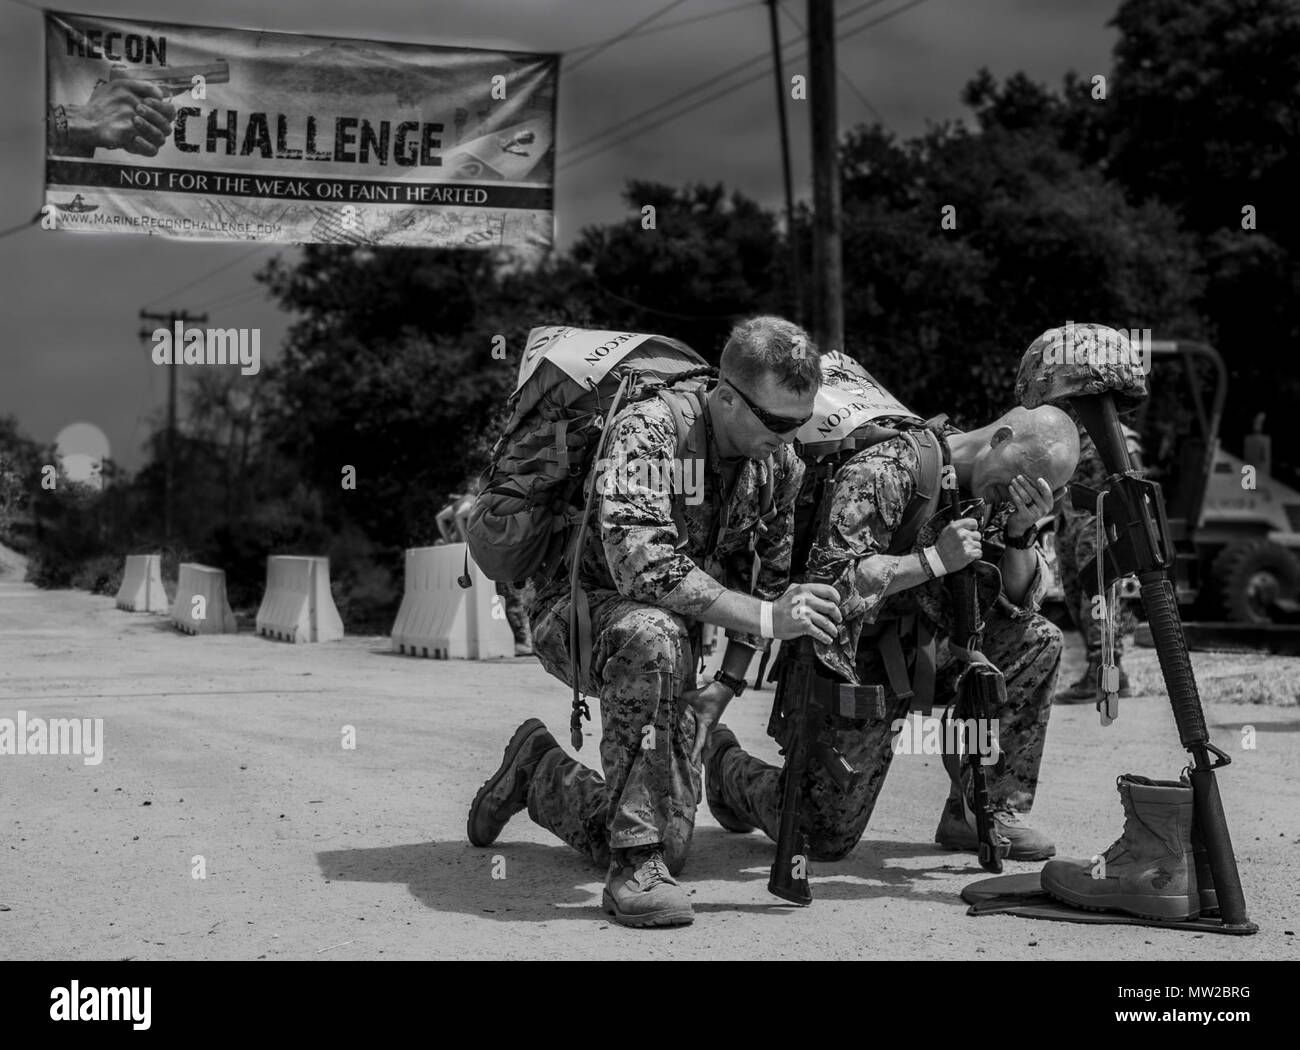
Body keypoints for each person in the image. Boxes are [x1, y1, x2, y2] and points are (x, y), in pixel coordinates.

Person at [465, 316, 843, 927]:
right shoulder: (650, 428)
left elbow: (766, 581)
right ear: (725, 395)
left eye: (799, 421)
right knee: (653, 630)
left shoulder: (780, 467)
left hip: (668, 653)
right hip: (580, 617)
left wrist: (723, 689)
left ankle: (537, 771)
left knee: (677, 847)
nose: (788, 436)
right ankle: (631, 866)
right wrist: (771, 617)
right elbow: (644, 568)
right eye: (775, 422)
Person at [704, 404, 1080, 866]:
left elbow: (1018, 606)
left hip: (937, 649)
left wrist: (1021, 534)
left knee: (1039, 638)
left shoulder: (997, 496)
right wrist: (932, 561)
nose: (1018, 494)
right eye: (1022, 475)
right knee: (819, 835)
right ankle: (725, 765)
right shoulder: (887, 470)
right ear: (1001, 437)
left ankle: (983, 810)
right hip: (858, 655)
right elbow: (833, 585)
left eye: (1038, 490)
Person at [1054, 421, 1144, 703]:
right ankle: (1106, 673)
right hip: (1069, 527)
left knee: (1098, 599)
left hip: (1097, 526)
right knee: (1077, 601)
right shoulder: (1067, 432)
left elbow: (1136, 477)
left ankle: (1106, 674)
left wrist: (1129, 520)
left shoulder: (1113, 431)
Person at [436, 478, 534, 656]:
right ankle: (522, 641)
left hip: (494, 556)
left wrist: (456, 542)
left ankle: (521, 641)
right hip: (502, 554)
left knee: (508, 599)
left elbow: (443, 518)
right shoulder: (480, 500)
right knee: (511, 599)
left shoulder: (468, 502)